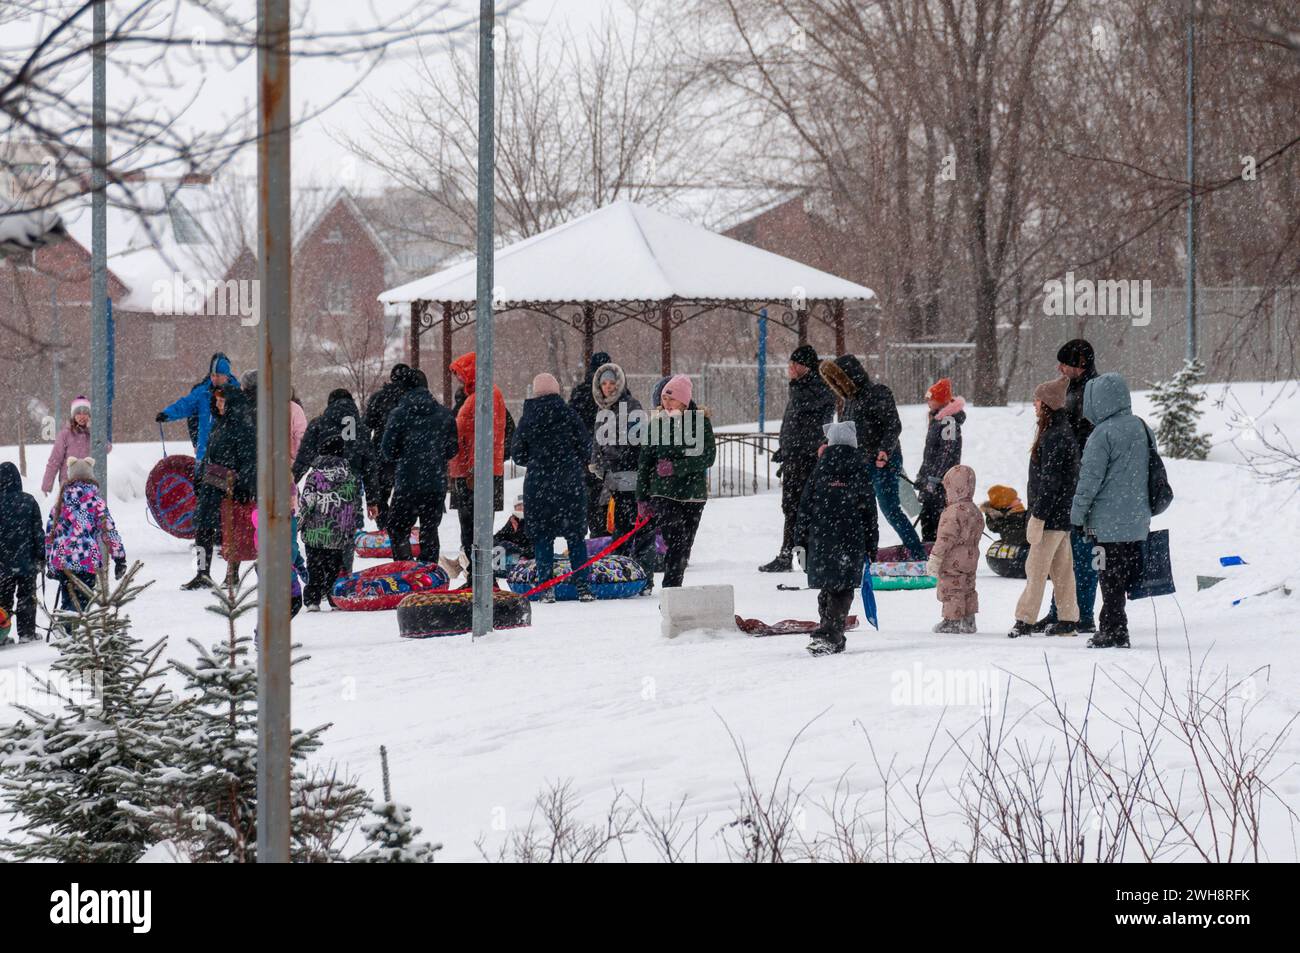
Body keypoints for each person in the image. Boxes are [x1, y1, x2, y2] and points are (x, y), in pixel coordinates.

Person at [1070, 373, 1151, 648]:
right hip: (1137, 520)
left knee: (1109, 577)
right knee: (1122, 574)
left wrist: (1077, 516)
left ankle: (1114, 630)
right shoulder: (1141, 426)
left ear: (1098, 401)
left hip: (1106, 525)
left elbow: (1089, 482)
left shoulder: (1101, 434)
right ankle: (1115, 626)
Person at [1034, 339, 1102, 633]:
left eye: (1066, 364)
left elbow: (1091, 439)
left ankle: (1082, 613)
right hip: (1069, 484)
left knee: (1082, 553)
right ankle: (1061, 610)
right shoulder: (1070, 387)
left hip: (1085, 484)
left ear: (1081, 365)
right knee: (1063, 555)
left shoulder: (1095, 392)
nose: (1060, 369)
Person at [511, 373, 596, 603]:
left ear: (535, 393)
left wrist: (537, 459)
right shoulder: (569, 415)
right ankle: (583, 587)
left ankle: (546, 587)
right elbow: (586, 446)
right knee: (576, 537)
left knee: (542, 538)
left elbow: (517, 453)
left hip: (539, 485)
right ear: (558, 391)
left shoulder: (528, 419)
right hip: (570, 483)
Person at [793, 420, 874, 657]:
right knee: (841, 589)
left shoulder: (819, 470)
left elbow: (804, 508)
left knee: (828, 587)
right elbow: (869, 511)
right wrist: (871, 545)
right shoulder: (859, 470)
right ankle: (831, 632)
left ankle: (829, 633)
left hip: (821, 539)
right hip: (851, 540)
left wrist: (800, 541)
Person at [1008, 377, 1081, 638]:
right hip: (1062, 516)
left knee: (1036, 569)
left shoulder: (1054, 436)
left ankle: (1024, 619)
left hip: (1049, 516)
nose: (1034, 404)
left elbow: (1051, 481)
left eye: (1037, 400)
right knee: (1062, 571)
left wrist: (1038, 515)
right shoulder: (1062, 433)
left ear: (1047, 404)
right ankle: (1068, 619)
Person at [759, 344, 835, 573]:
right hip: (795, 456)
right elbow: (795, 423)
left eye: (794, 364)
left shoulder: (813, 390)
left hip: (805, 458)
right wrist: (786, 448)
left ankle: (798, 554)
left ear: (805, 367)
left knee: (799, 508)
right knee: (792, 507)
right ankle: (797, 553)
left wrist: (799, 448)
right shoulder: (799, 388)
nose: (790, 368)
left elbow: (812, 425)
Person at [636, 374, 716, 589]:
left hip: (693, 496)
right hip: (664, 493)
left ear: (684, 400)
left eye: (671, 399)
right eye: (664, 399)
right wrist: (642, 498)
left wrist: (677, 467)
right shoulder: (657, 425)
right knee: (676, 543)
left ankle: (674, 592)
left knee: (683, 549)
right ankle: (670, 591)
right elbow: (645, 462)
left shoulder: (700, 424)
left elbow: (708, 456)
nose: (666, 403)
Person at [381, 369, 458, 563]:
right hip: (435, 484)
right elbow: (452, 450)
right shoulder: (444, 414)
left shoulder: (398, 414)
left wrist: (406, 457)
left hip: (407, 483)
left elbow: (387, 450)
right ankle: (429, 575)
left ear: (405, 389)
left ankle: (405, 569)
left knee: (398, 528)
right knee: (429, 530)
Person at [817, 356, 890, 560]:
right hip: (859, 462)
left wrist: (884, 449)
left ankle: (916, 553)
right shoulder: (849, 400)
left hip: (880, 461)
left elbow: (892, 425)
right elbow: (844, 430)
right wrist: (830, 443)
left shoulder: (877, 393)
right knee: (859, 508)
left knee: (888, 509)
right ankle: (860, 551)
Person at [189, 385, 256, 590]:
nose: (217, 403)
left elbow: (250, 458)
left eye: (221, 400)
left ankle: (232, 574)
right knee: (202, 526)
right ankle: (202, 572)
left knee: (233, 529)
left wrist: (244, 484)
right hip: (212, 483)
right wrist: (200, 478)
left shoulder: (243, 426)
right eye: (216, 400)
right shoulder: (218, 424)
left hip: (232, 485)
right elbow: (209, 454)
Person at [590, 361, 655, 567]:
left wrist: (615, 459)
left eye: (611, 383)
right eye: (604, 384)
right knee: (621, 526)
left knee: (634, 528)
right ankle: (625, 569)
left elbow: (638, 442)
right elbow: (598, 441)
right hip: (615, 479)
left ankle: (640, 573)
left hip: (630, 476)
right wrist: (598, 464)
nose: (608, 387)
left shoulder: (631, 406)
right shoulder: (604, 410)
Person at [44, 457, 126, 619]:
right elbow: (109, 531)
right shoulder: (96, 502)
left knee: (68, 600)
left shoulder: (61, 502)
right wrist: (119, 558)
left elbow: (50, 534)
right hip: (87, 560)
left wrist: (50, 564)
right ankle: (80, 634)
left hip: (63, 560)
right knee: (84, 601)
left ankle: (68, 634)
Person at [448, 352, 507, 564]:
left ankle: (480, 577)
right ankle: (476, 576)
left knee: (475, 531)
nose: (458, 380)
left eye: (460, 374)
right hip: (471, 473)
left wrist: (474, 469)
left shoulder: (484, 396)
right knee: (471, 531)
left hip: (475, 475)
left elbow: (484, 437)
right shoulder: (477, 396)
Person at [299, 433, 365, 610]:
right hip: (338, 532)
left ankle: (313, 599)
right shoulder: (349, 477)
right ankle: (333, 595)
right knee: (334, 565)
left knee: (314, 565)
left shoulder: (315, 476)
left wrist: (301, 519)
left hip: (315, 531)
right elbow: (355, 503)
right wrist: (352, 524)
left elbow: (308, 501)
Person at [926, 464, 981, 633]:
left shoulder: (952, 512)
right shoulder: (975, 510)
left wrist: (935, 558)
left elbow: (945, 539)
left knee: (952, 587)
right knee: (968, 587)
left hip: (953, 559)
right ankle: (969, 619)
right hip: (971, 558)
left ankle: (952, 621)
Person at [156, 352, 238, 465]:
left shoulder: (237, 393)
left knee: (221, 481)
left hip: (228, 455)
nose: (214, 379)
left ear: (226, 376)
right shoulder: (202, 393)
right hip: (204, 454)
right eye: (212, 375)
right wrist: (167, 414)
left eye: (218, 375)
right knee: (201, 481)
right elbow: (185, 404)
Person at [363, 364, 415, 531]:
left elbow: (366, 425)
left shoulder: (378, 398)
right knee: (404, 495)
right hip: (407, 455)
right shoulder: (412, 399)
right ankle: (399, 529)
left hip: (381, 453)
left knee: (382, 494)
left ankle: (385, 527)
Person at [915, 378, 966, 543]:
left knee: (937, 518)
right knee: (927, 518)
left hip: (942, 483)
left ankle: (938, 553)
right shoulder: (937, 420)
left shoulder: (948, 422)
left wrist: (934, 478)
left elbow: (945, 453)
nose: (928, 402)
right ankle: (928, 551)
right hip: (931, 480)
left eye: (931, 399)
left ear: (941, 400)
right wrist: (922, 476)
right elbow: (929, 455)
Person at [569, 351, 614, 535]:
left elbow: (572, 426)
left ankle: (597, 537)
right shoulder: (616, 394)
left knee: (592, 504)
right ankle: (608, 541)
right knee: (611, 504)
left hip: (587, 461)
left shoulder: (580, 393)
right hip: (612, 458)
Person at [0, 462, 44, 643]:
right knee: (26, 597)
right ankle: (27, 633)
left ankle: (1, 636)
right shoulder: (29, 501)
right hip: (26, 561)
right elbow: (38, 532)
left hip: (2, 564)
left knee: (2, 601)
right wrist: (41, 556)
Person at [41, 396, 111, 495]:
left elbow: (107, 449)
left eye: (85, 413)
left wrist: (94, 431)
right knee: (70, 510)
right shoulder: (65, 434)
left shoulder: (93, 434)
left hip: (90, 484)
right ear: (73, 415)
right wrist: (47, 485)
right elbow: (54, 460)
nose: (82, 416)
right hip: (68, 483)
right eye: (78, 413)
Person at [492, 496, 531, 575]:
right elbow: (501, 534)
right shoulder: (513, 520)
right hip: (514, 551)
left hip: (527, 551)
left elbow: (528, 541)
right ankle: (496, 570)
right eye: (518, 506)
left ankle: (501, 570)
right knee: (498, 544)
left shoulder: (530, 520)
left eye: (522, 505)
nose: (521, 507)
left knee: (504, 545)